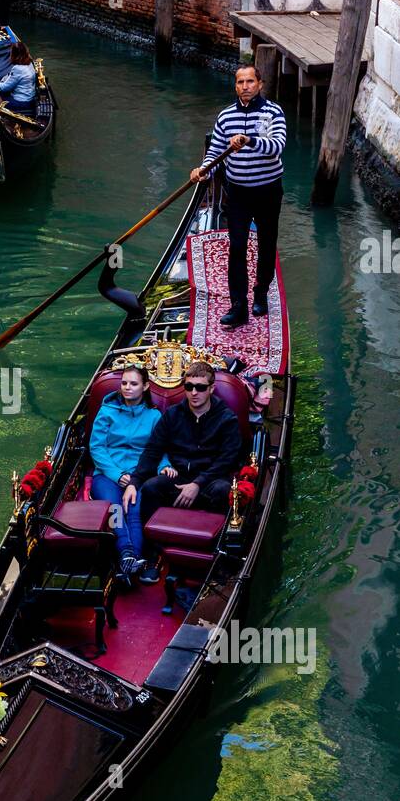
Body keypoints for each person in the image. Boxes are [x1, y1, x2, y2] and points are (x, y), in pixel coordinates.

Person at [122, 362, 242, 584]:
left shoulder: (227, 419)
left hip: (210, 479)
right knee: (151, 488)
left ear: (212, 388)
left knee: (224, 491)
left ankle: (216, 555)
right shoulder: (173, 415)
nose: (194, 393)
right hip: (178, 477)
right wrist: (134, 482)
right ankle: (154, 555)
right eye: (188, 387)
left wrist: (197, 483)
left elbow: (228, 459)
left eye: (200, 387)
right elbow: (152, 451)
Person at [190, 64, 286, 329]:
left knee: (267, 244)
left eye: (250, 81)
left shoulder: (273, 112)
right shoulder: (226, 116)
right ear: (236, 86)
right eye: (241, 82)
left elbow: (277, 146)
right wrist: (204, 170)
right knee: (237, 247)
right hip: (239, 193)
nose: (245, 86)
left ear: (260, 84)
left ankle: (261, 293)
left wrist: (249, 140)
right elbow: (216, 154)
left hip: (268, 190)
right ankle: (238, 306)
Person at [89, 364, 168, 582]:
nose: (127, 387)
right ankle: (129, 553)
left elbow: (159, 448)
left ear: (145, 386)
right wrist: (117, 475)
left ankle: (129, 559)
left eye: (133, 383)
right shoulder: (107, 412)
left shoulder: (154, 416)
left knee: (133, 510)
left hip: (139, 475)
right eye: (124, 383)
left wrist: (164, 466)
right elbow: (97, 448)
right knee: (115, 508)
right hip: (106, 474)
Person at [0, 40, 37, 112]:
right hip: (30, 98)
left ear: (14, 54)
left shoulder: (18, 68)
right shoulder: (30, 63)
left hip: (20, 102)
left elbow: (5, 88)